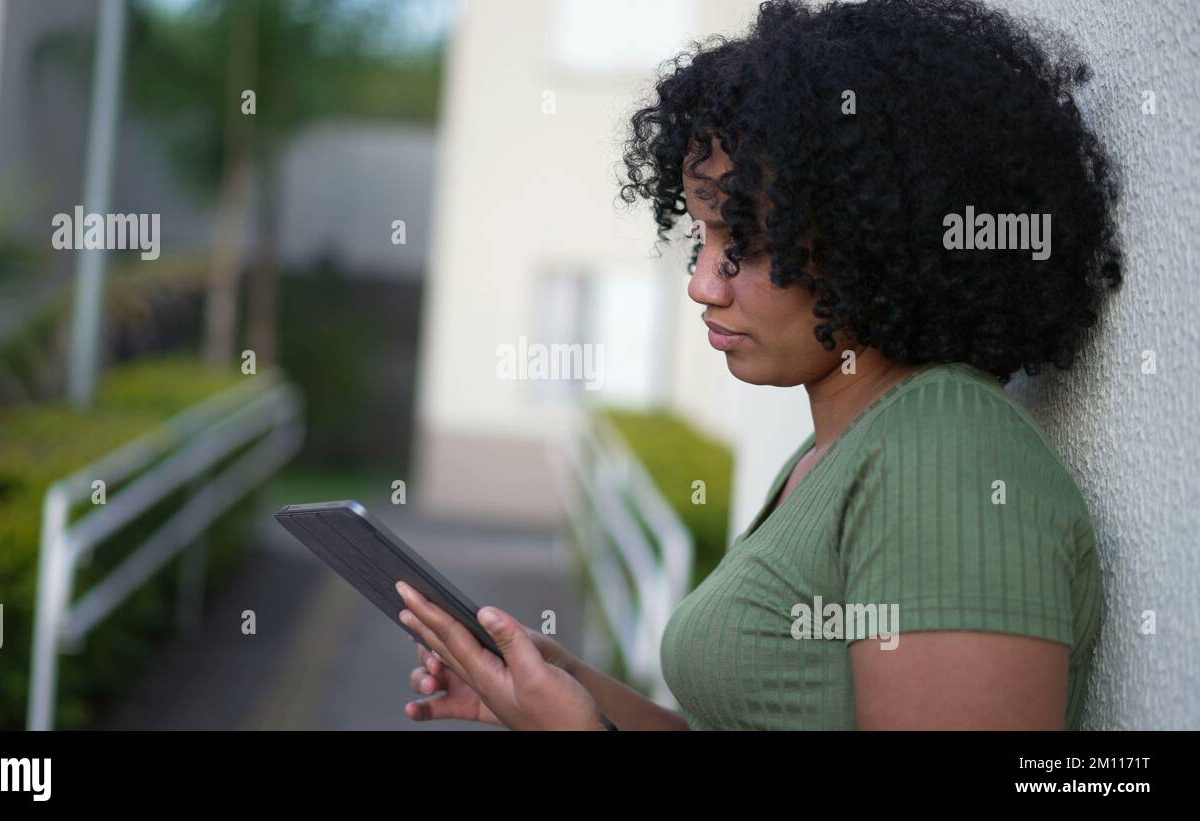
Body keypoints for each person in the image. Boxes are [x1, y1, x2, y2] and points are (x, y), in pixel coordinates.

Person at [397, 0, 1121, 730]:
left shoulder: (946, 454)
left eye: (747, 239)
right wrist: (570, 689)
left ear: (871, 238)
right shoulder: (833, 454)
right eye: (705, 235)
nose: (703, 282)